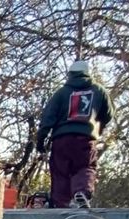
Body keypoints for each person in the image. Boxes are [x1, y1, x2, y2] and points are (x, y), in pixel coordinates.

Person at [36, 60, 113, 208]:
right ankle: (82, 193)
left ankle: (60, 205)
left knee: (60, 172)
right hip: (86, 139)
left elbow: (47, 118)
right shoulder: (99, 90)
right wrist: (99, 126)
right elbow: (108, 114)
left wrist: (41, 141)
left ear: (70, 75)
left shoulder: (61, 93)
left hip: (61, 139)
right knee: (85, 167)